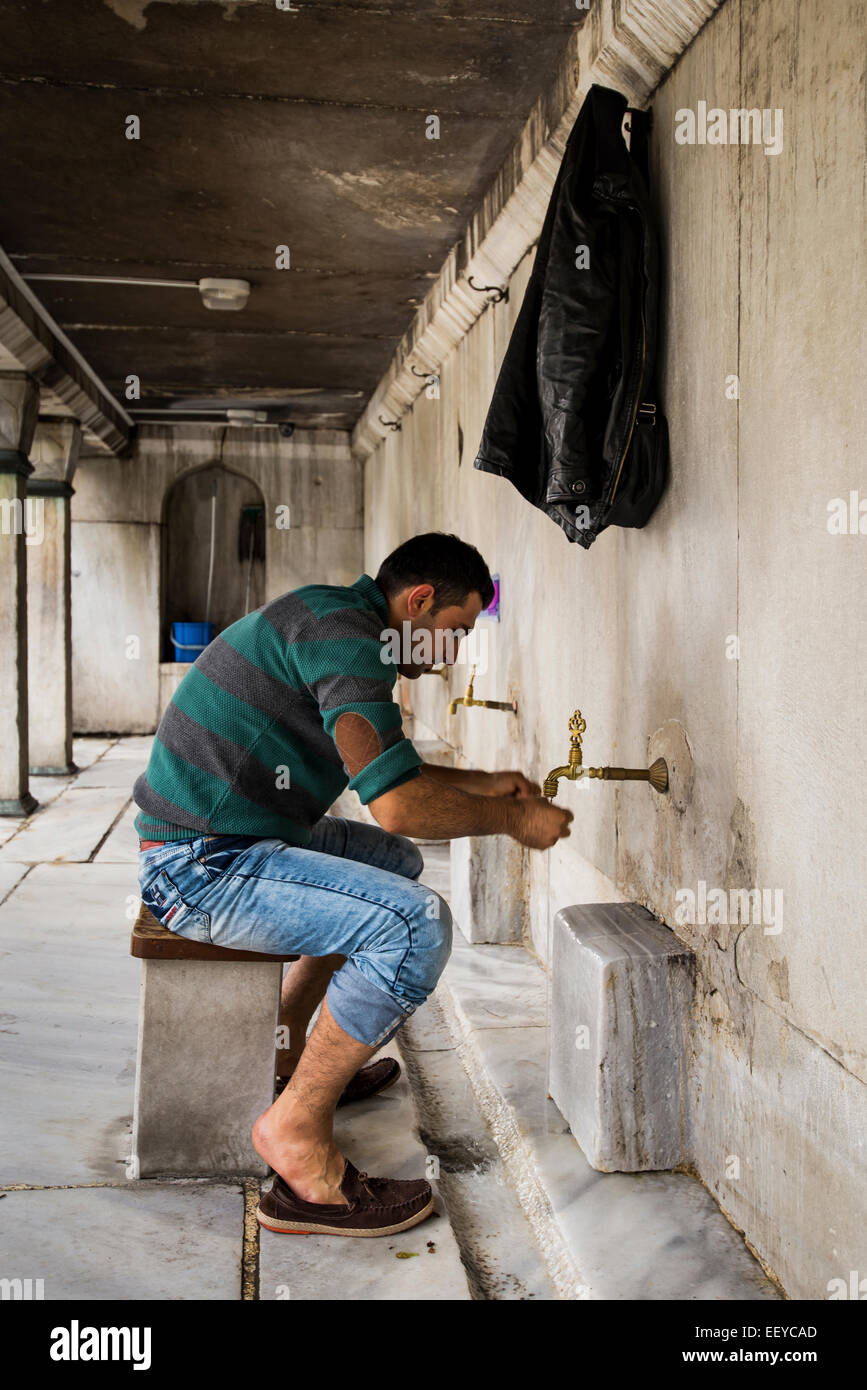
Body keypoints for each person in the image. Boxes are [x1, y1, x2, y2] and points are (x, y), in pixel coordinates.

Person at [134, 532, 572, 1237]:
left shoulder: (338, 618)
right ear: (419, 601)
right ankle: (295, 1132)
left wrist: (485, 783)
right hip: (201, 867)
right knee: (414, 923)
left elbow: (382, 768)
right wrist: (513, 820)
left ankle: (286, 1046)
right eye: (456, 631)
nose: (454, 653)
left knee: (391, 865)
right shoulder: (349, 641)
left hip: (229, 835)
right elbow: (398, 805)